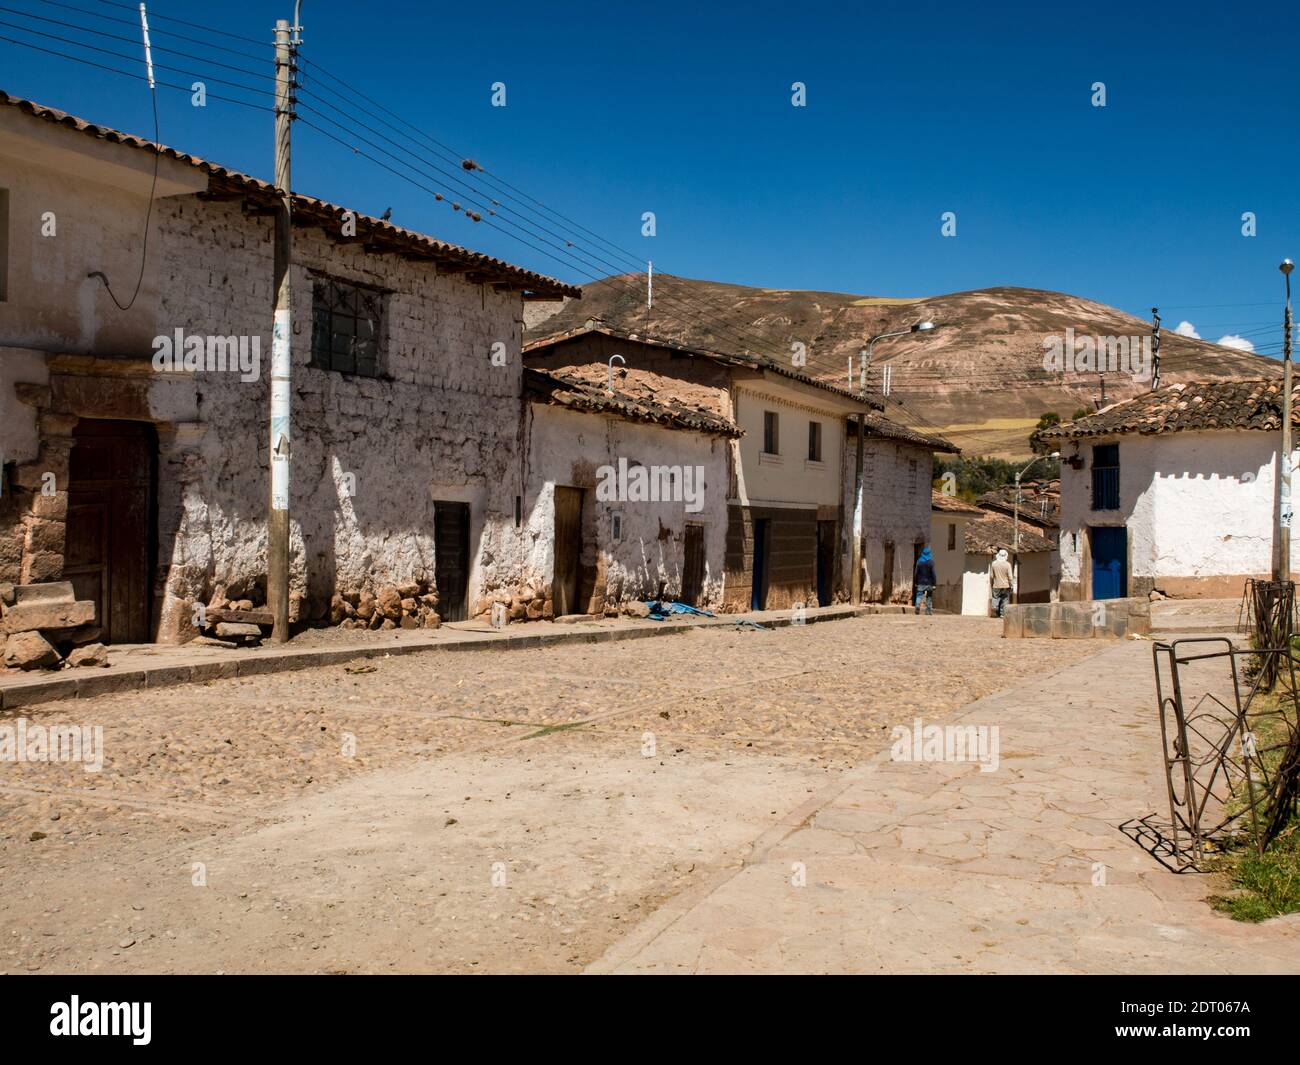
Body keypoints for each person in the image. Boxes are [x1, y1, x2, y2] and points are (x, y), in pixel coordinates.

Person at [913, 546, 936, 615]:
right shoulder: (931, 562)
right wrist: (934, 583)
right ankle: (928, 611)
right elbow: (933, 573)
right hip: (929, 582)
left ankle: (917, 606)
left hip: (920, 582)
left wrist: (915, 581)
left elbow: (916, 572)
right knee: (929, 596)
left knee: (919, 595)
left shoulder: (919, 561)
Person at [991, 548, 1013, 617]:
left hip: (996, 585)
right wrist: (1011, 585)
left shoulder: (994, 564)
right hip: (1005, 585)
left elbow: (992, 576)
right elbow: (1010, 577)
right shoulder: (1008, 564)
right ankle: (1002, 614)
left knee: (995, 598)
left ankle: (995, 611)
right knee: (1005, 600)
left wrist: (992, 584)